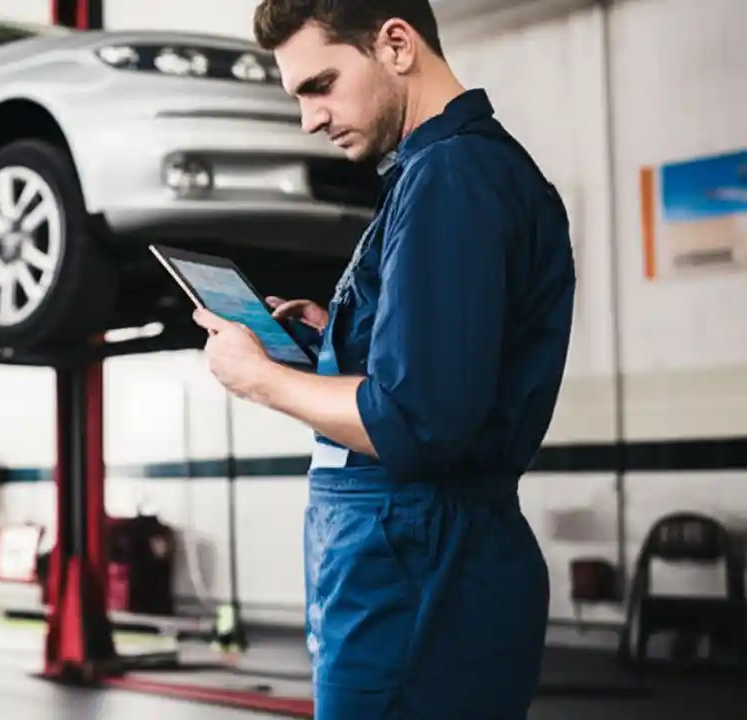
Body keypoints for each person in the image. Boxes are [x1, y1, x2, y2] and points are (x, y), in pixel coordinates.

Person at [192, 1, 577, 718]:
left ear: (396, 44)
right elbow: (436, 371)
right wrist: (330, 342)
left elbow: (413, 421)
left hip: (419, 569)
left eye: (320, 85)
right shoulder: (442, 176)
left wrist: (264, 379)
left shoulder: (451, 178)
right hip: (426, 563)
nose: (310, 118)